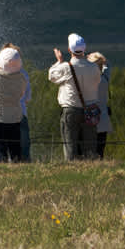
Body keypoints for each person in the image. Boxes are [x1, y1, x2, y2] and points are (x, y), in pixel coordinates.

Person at [48, 33, 102, 161]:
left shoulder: (66, 67)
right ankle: (91, 168)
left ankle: (71, 167)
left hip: (71, 109)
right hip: (91, 109)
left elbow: (51, 76)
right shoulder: (94, 67)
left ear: (69, 50)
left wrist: (59, 61)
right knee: (90, 146)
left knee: (70, 144)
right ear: (84, 49)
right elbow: (97, 82)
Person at [87, 52, 113, 160]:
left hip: (89, 119)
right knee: (100, 151)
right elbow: (107, 66)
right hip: (103, 119)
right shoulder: (105, 78)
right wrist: (102, 60)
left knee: (88, 151)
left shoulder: (87, 80)